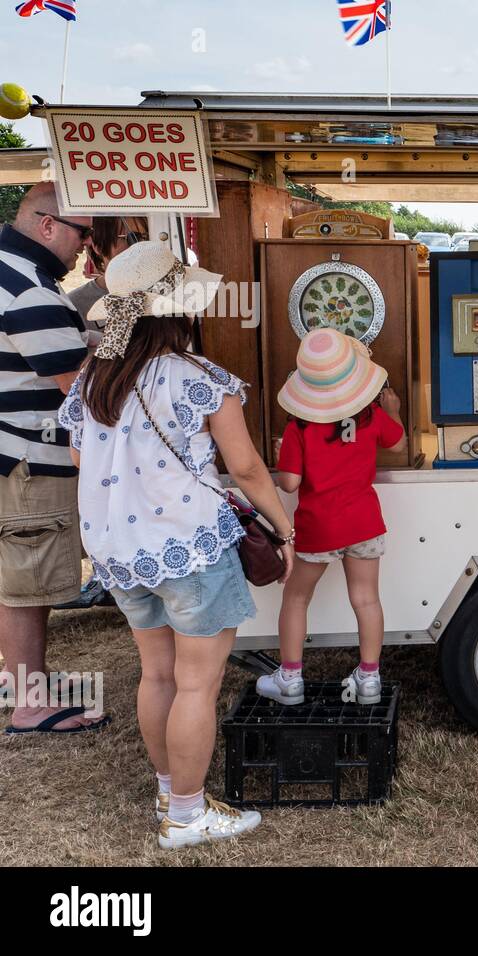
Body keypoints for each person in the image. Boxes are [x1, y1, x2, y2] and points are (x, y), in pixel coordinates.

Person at [57, 240, 295, 848]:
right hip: (189, 547)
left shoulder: (95, 378)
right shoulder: (200, 378)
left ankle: (170, 789)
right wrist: (284, 530)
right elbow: (245, 469)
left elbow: (83, 459)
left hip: (119, 550)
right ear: (177, 306)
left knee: (156, 674)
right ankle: (187, 816)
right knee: (197, 685)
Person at [0, 181, 107, 735]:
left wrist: (83, 335)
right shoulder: (31, 291)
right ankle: (30, 703)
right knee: (27, 577)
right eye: (83, 234)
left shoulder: (14, 270)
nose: (85, 250)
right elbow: (80, 389)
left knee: (21, 574)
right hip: (29, 460)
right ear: (48, 225)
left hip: (9, 450)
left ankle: (26, 681)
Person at [257, 328, 407, 707]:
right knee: (367, 599)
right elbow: (399, 442)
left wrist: (282, 457)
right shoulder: (372, 416)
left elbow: (289, 484)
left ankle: (290, 678)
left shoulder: (299, 429)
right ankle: (370, 678)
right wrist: (394, 412)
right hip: (364, 522)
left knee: (295, 599)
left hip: (318, 527)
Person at [67, 215, 148, 326]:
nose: (144, 245)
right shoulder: (75, 305)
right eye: (133, 238)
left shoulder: (167, 292)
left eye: (147, 237)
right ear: (99, 246)